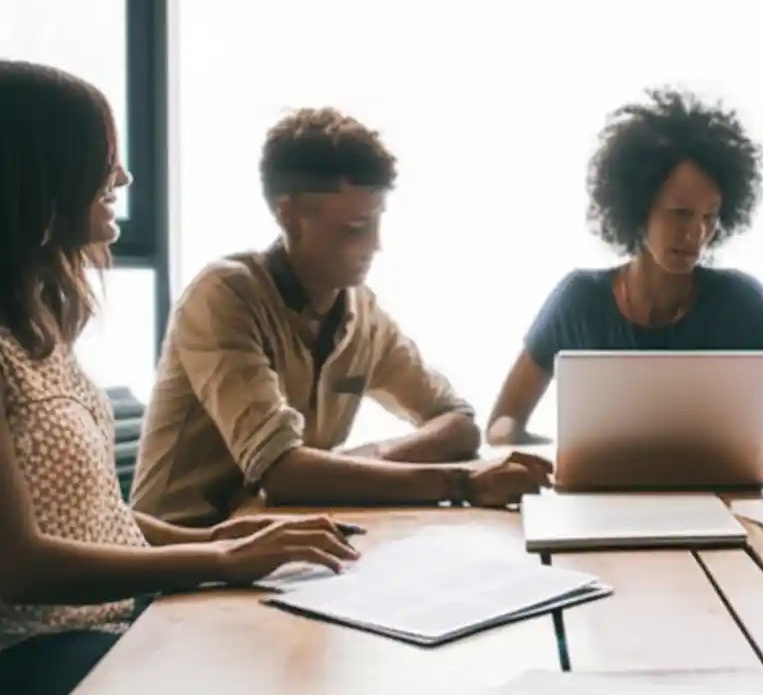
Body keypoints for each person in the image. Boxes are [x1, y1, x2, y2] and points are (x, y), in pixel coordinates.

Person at [0, 60, 360, 695]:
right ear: (38, 173)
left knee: (309, 652)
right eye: (102, 157)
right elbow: (18, 566)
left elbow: (98, 515)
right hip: (33, 652)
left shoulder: (40, 326)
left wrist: (216, 537)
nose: (124, 177)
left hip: (105, 622)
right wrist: (216, 559)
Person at [132, 107, 552, 527]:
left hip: (282, 542)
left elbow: (457, 423)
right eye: (355, 228)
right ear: (289, 215)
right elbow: (282, 472)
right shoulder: (224, 296)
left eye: (376, 223)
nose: (375, 244)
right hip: (179, 562)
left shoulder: (359, 309)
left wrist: (372, 459)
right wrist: (461, 484)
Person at [486, 88, 763, 453]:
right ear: (638, 209)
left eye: (709, 217)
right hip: (601, 506)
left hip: (721, 501)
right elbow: (502, 423)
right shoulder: (580, 301)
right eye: (680, 213)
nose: (696, 233)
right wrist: (560, 453)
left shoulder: (743, 301)